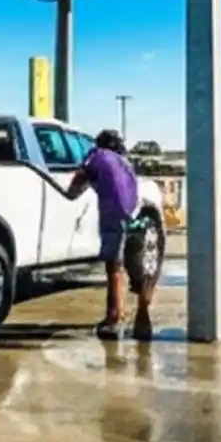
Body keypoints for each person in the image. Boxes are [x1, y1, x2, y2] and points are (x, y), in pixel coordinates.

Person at [65, 129, 155, 340]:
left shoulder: (96, 156)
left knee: (113, 267)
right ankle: (143, 316)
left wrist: (70, 192)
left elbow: (77, 183)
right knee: (137, 269)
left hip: (113, 215)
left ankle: (113, 319)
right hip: (134, 214)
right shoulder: (125, 163)